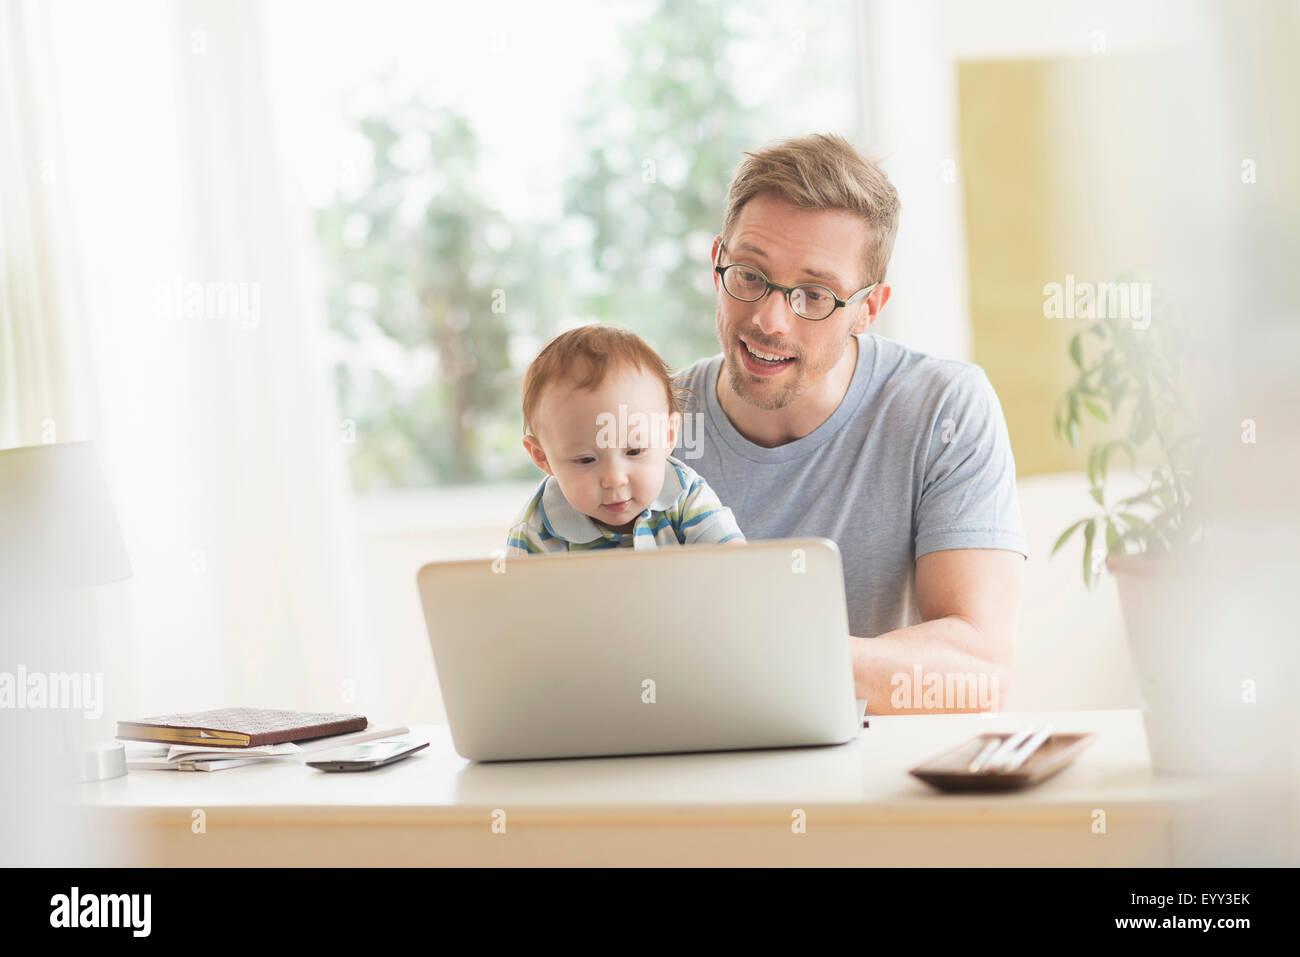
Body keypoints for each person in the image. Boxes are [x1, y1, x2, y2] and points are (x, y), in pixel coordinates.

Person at [672, 133, 1028, 714]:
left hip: (870, 783)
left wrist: (760, 657)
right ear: (718, 263)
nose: (769, 320)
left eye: (814, 294)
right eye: (750, 275)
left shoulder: (944, 408)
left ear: (868, 308)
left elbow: (978, 670)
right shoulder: (645, 426)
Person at [507, 324, 745, 554]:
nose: (614, 479)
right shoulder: (535, 531)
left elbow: (734, 565)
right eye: (586, 460)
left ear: (668, 436)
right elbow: (522, 595)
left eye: (634, 451)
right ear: (542, 457)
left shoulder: (685, 494)